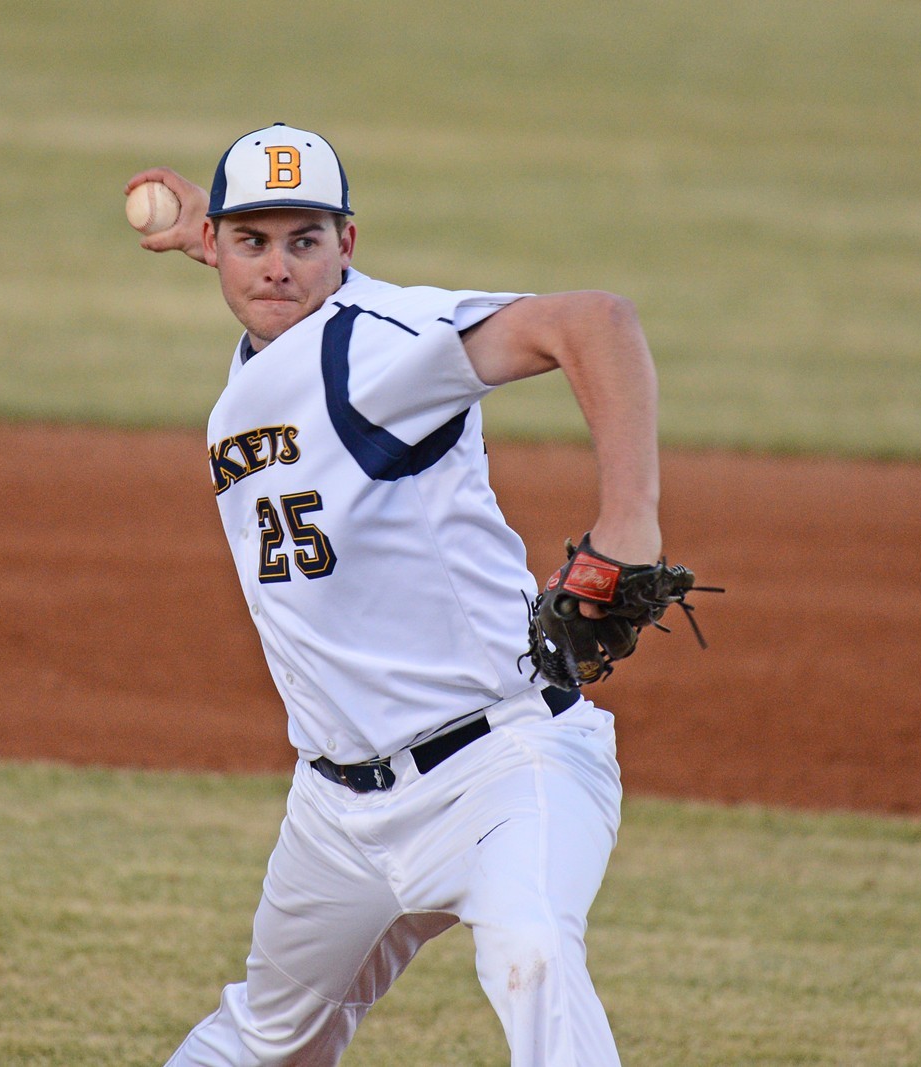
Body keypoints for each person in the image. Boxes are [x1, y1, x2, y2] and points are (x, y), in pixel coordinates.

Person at [128, 123, 665, 1066]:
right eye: (253, 241)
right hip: (339, 810)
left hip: (504, 765)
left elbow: (595, 321)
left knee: (532, 953)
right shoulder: (267, 361)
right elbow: (274, 309)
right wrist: (212, 235)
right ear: (212, 243)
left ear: (349, 244)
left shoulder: (378, 346)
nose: (281, 268)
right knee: (263, 1039)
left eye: (307, 240)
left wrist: (630, 522)